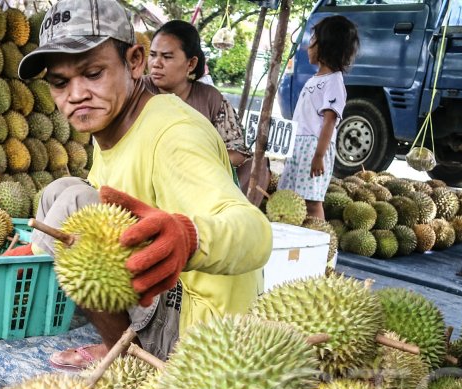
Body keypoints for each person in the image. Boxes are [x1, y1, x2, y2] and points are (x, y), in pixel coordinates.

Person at [15, 0, 272, 370]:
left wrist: (188, 238)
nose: (76, 95)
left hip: (204, 336)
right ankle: (117, 341)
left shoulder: (174, 132)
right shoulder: (110, 122)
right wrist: (31, 250)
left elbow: (256, 233)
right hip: (165, 303)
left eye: (93, 73)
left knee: (76, 207)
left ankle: (126, 356)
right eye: (60, 82)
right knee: (63, 191)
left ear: (135, 61)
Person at [277, 15, 359, 221]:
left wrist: (319, 156)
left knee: (312, 202)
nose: (308, 47)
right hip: (300, 146)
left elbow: (329, 122)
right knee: (291, 197)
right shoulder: (316, 79)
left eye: (312, 42)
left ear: (326, 47)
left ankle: (321, 245)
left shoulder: (334, 81)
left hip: (314, 147)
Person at [145, 20, 247, 169]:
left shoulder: (211, 100)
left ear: (191, 64)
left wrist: (194, 164)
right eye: (153, 55)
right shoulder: (136, 90)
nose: (156, 63)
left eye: (167, 57)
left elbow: (237, 152)